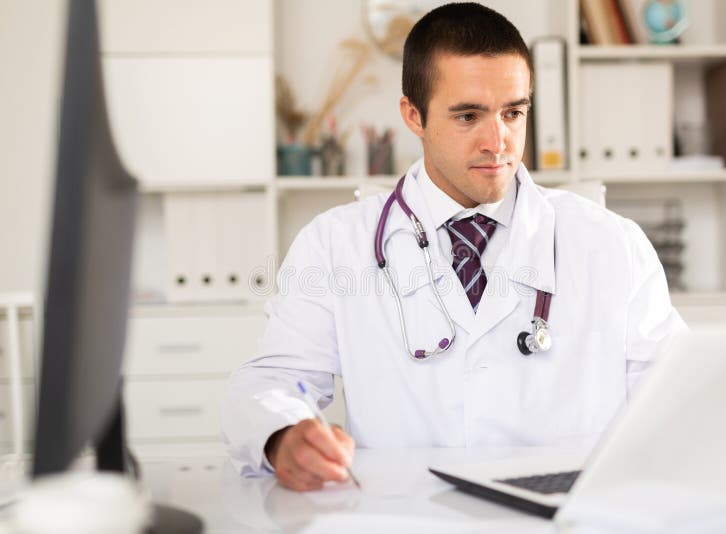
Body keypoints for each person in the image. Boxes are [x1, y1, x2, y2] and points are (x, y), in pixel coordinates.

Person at [222, 2, 687, 491]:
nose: (498, 142)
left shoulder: (612, 245)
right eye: (469, 116)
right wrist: (284, 434)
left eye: (514, 112)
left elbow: (677, 399)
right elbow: (270, 383)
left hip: (564, 520)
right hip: (404, 517)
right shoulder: (335, 245)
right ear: (413, 115)